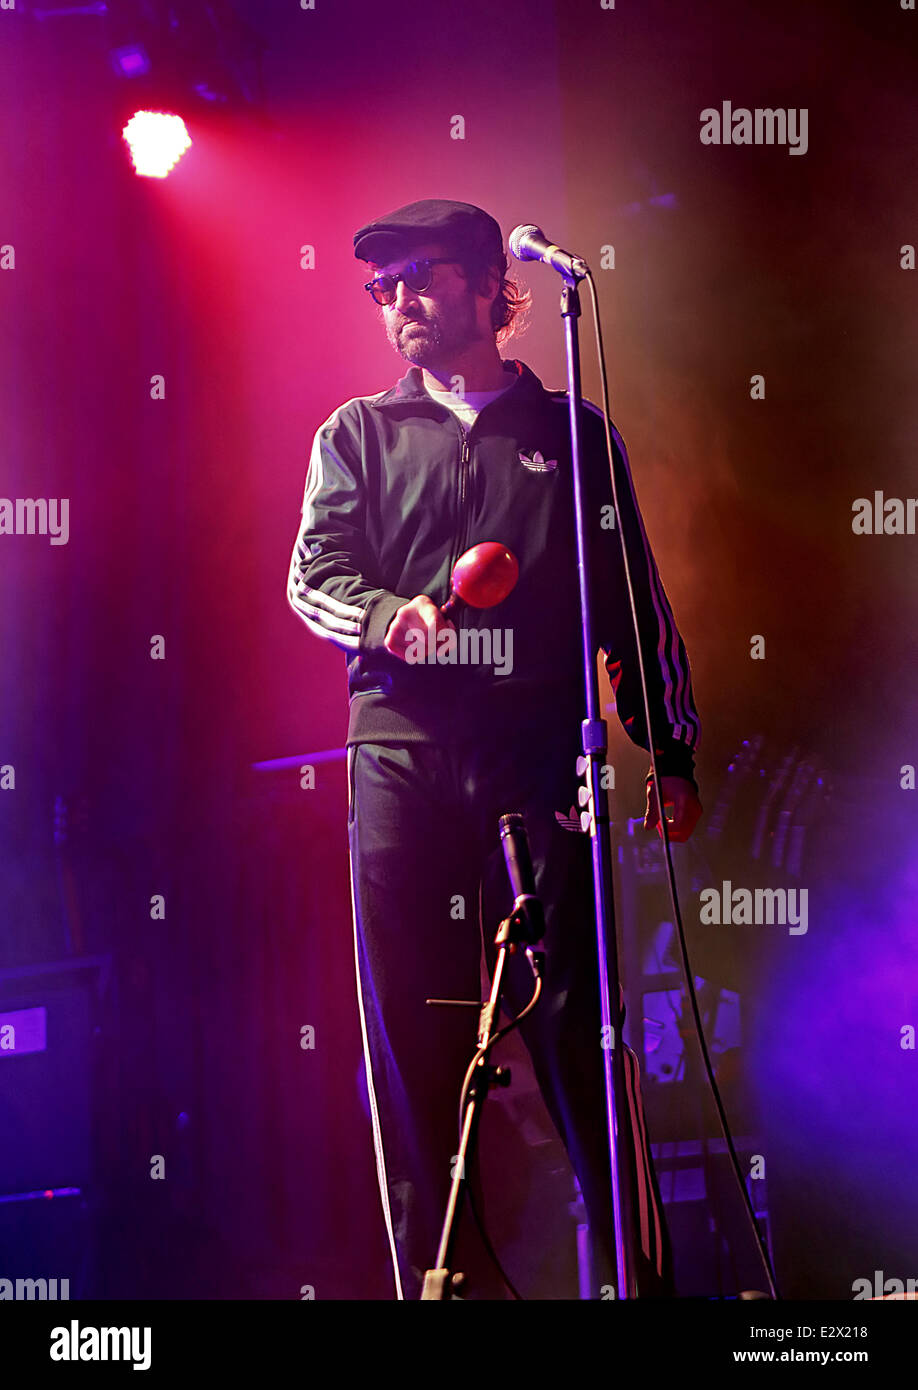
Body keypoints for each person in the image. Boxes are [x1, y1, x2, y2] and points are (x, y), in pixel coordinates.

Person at [287, 198, 702, 1299]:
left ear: (490, 286)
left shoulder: (576, 439)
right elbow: (311, 578)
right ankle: (448, 1286)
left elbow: (632, 609)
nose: (400, 302)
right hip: (402, 761)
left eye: (420, 277)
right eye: (381, 288)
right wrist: (391, 618)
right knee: (413, 1041)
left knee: (580, 1029)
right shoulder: (356, 435)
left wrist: (668, 750)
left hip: (539, 756)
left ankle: (637, 1285)